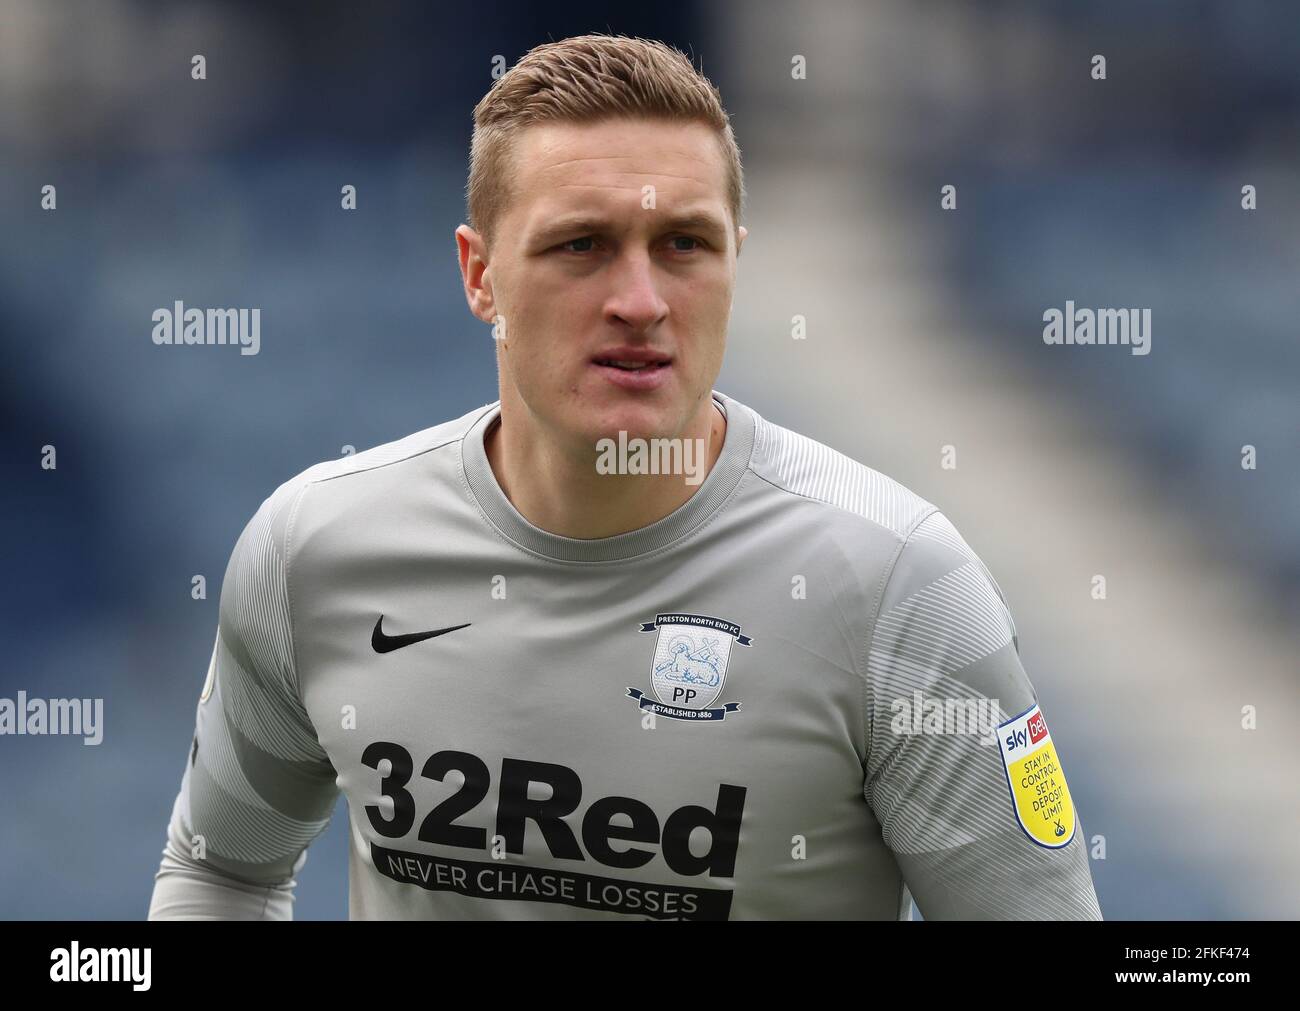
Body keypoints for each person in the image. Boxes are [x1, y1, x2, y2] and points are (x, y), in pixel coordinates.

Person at [148, 33, 1101, 921]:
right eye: (582, 246)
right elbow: (221, 867)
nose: (640, 302)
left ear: (737, 263)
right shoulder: (315, 547)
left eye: (684, 244)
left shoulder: (899, 584)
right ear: (480, 276)